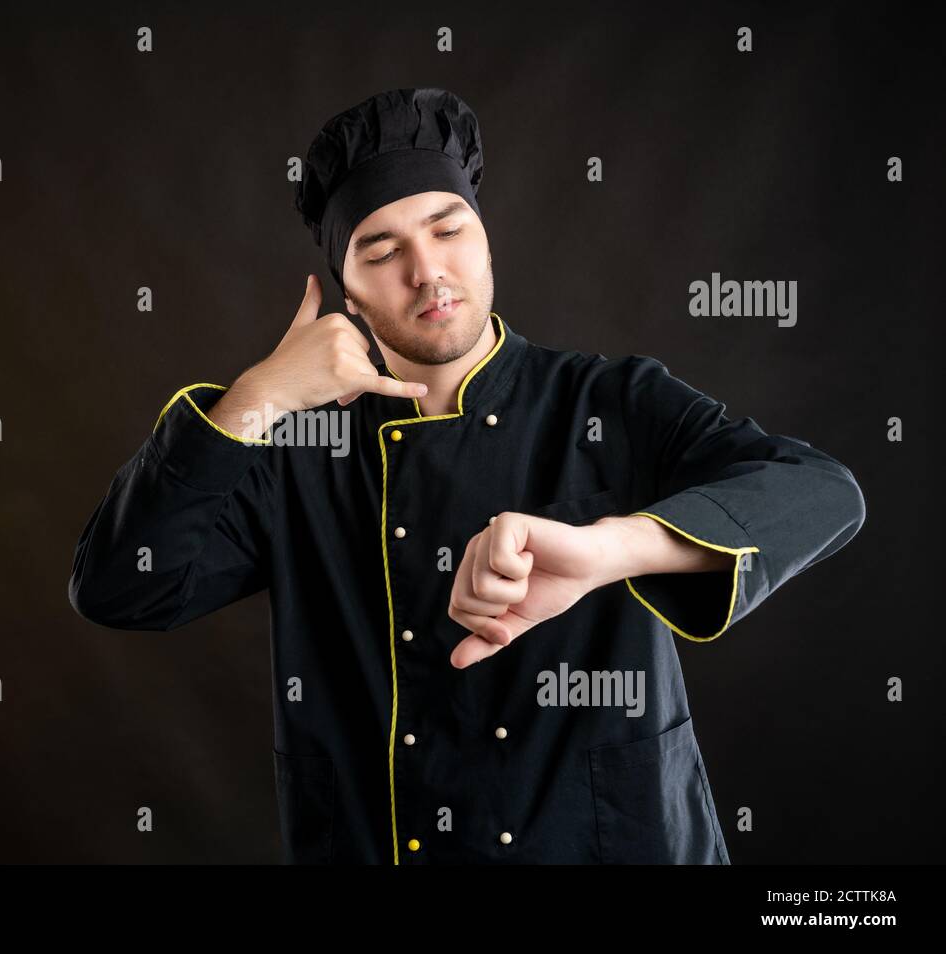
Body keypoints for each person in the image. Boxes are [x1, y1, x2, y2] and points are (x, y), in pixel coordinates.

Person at [68, 88, 866, 864]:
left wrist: (612, 550)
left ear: (484, 238)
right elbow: (119, 586)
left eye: (448, 231)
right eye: (382, 252)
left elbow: (820, 490)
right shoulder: (294, 446)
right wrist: (259, 395)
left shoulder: (610, 402)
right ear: (345, 290)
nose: (427, 271)